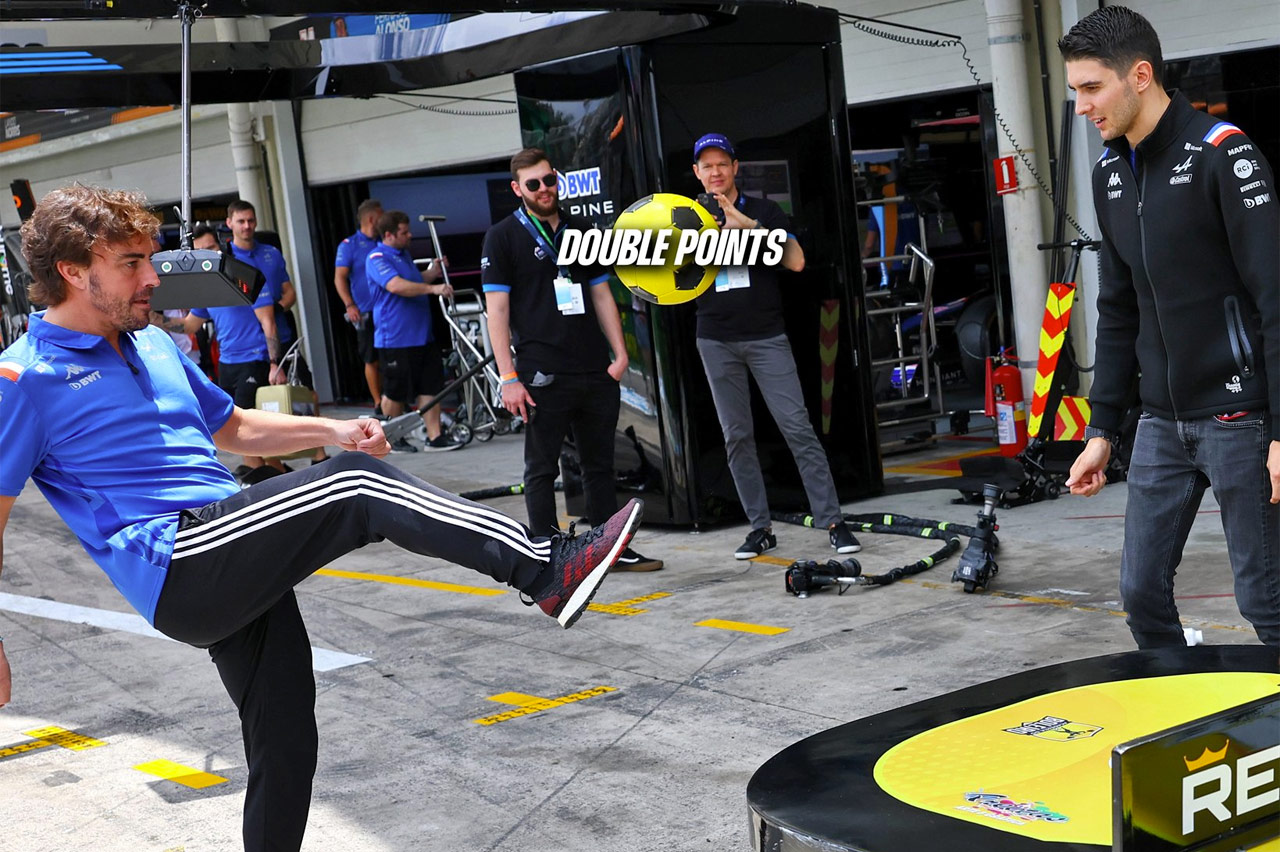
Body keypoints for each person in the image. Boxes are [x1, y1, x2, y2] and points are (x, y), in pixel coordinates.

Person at [0, 183, 644, 852]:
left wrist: (337, 431)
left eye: (150, 258)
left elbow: (239, 427)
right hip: (175, 559)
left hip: (227, 538)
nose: (154, 276)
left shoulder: (155, 345)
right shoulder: (25, 380)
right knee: (357, 489)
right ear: (74, 271)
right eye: (131, 263)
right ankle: (544, 567)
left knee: (286, 740)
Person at [1060, 6, 1279, 649]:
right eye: (1074, 90)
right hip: (1159, 423)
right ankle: (1178, 732)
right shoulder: (1109, 173)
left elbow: (1276, 301)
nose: (1081, 107)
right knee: (1141, 595)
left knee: (1265, 603)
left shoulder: (1224, 156)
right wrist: (1102, 428)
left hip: (1242, 418)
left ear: (1141, 76)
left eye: (1092, 87)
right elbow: (1119, 307)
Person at [482, 148, 663, 572]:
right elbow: (498, 312)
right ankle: (546, 556)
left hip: (594, 368)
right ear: (517, 189)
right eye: (533, 184)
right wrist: (507, 376)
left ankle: (606, 550)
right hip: (541, 371)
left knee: (600, 464)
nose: (544, 189)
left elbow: (602, 294)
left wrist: (619, 356)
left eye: (549, 180)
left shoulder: (581, 229)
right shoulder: (503, 236)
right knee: (542, 467)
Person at [689, 133, 860, 560]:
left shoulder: (764, 210)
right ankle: (759, 527)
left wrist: (746, 226)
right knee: (736, 436)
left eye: (721, 164)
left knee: (797, 427)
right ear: (696, 172)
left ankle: (834, 522)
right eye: (706, 166)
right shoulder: (684, 217)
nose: (715, 172)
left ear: (735, 168)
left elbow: (797, 261)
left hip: (766, 335)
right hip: (715, 337)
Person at [180, 224, 290, 477]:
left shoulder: (245, 276)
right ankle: (281, 479)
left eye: (211, 248)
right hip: (228, 364)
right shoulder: (204, 288)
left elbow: (268, 322)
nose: (206, 255)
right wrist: (152, 318)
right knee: (246, 430)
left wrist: (275, 364)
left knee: (243, 429)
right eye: (200, 251)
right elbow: (190, 326)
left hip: (255, 360)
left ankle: (263, 484)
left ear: (222, 246)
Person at [224, 199, 327, 465]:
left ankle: (319, 455)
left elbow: (289, 292)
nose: (247, 226)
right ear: (230, 224)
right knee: (259, 408)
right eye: (241, 221)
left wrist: (275, 308)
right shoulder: (228, 262)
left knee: (307, 395)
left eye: (250, 220)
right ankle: (270, 464)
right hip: (249, 347)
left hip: (282, 338)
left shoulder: (271, 252)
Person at [365, 210, 461, 452]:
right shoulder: (377, 257)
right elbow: (396, 286)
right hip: (396, 338)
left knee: (431, 386)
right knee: (395, 392)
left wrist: (432, 272)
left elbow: (414, 279)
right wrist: (433, 289)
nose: (409, 236)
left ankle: (434, 436)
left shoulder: (403, 254)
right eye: (404, 232)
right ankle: (388, 438)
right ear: (388, 235)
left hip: (422, 335)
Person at [334, 198, 384, 415]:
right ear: (372, 218)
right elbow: (339, 278)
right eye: (382, 217)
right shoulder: (349, 245)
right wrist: (350, 305)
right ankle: (378, 402)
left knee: (392, 356)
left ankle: (395, 398)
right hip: (365, 311)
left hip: (388, 310)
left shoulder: (385, 240)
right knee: (371, 357)